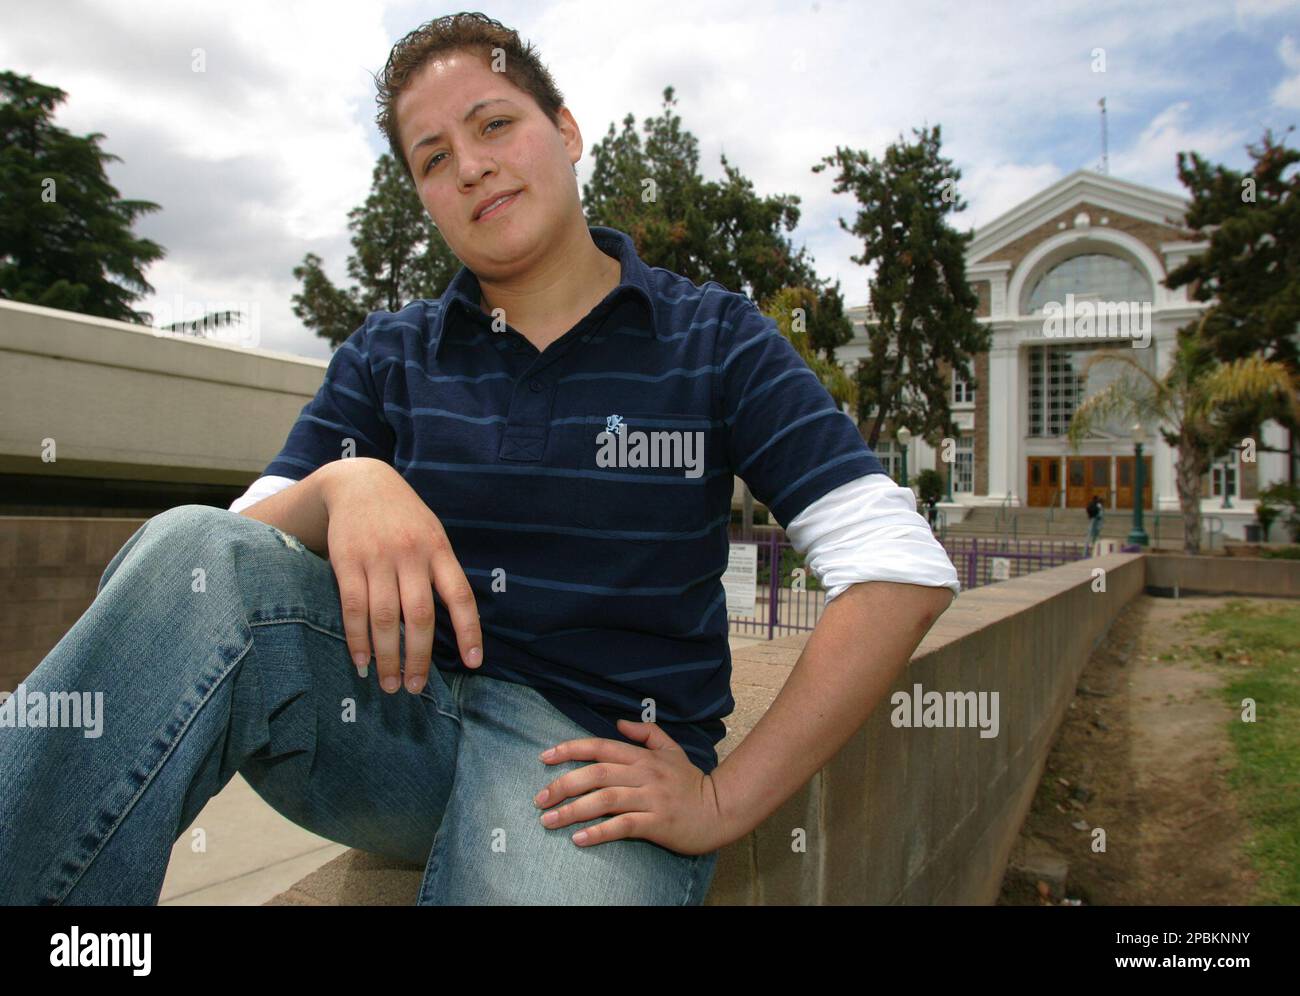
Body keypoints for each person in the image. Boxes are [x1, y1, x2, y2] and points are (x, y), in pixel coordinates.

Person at [0, 12, 960, 906]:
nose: (471, 167)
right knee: (183, 549)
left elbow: (896, 569)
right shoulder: (391, 352)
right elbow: (212, 560)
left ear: (568, 130)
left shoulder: (714, 338)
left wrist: (723, 803)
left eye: (494, 123)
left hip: (585, 762)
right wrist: (347, 483)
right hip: (383, 726)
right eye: (434, 157)